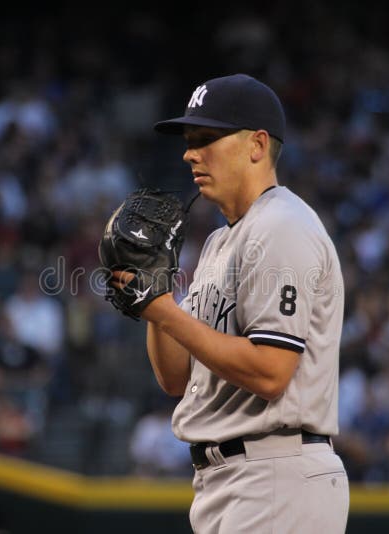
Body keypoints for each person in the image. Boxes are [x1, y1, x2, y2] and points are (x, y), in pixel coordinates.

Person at [110, 73, 349, 532]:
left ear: (257, 145)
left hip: (276, 474)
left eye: (206, 138)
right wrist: (156, 297)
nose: (189, 153)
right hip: (231, 482)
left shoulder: (282, 225)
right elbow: (175, 377)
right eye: (188, 140)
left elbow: (271, 371)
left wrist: (162, 310)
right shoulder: (222, 242)